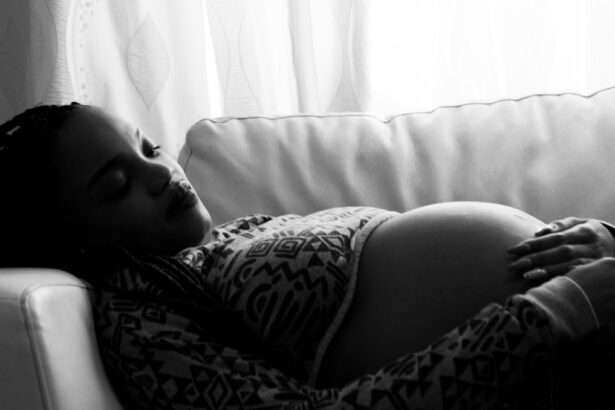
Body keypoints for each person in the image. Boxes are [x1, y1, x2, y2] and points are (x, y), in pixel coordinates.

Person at [1, 103, 615, 409]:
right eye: (116, 186)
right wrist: (553, 312)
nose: (159, 174)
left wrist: (603, 241)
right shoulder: (138, 318)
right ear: (75, 241)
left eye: (149, 149)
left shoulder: (242, 233)